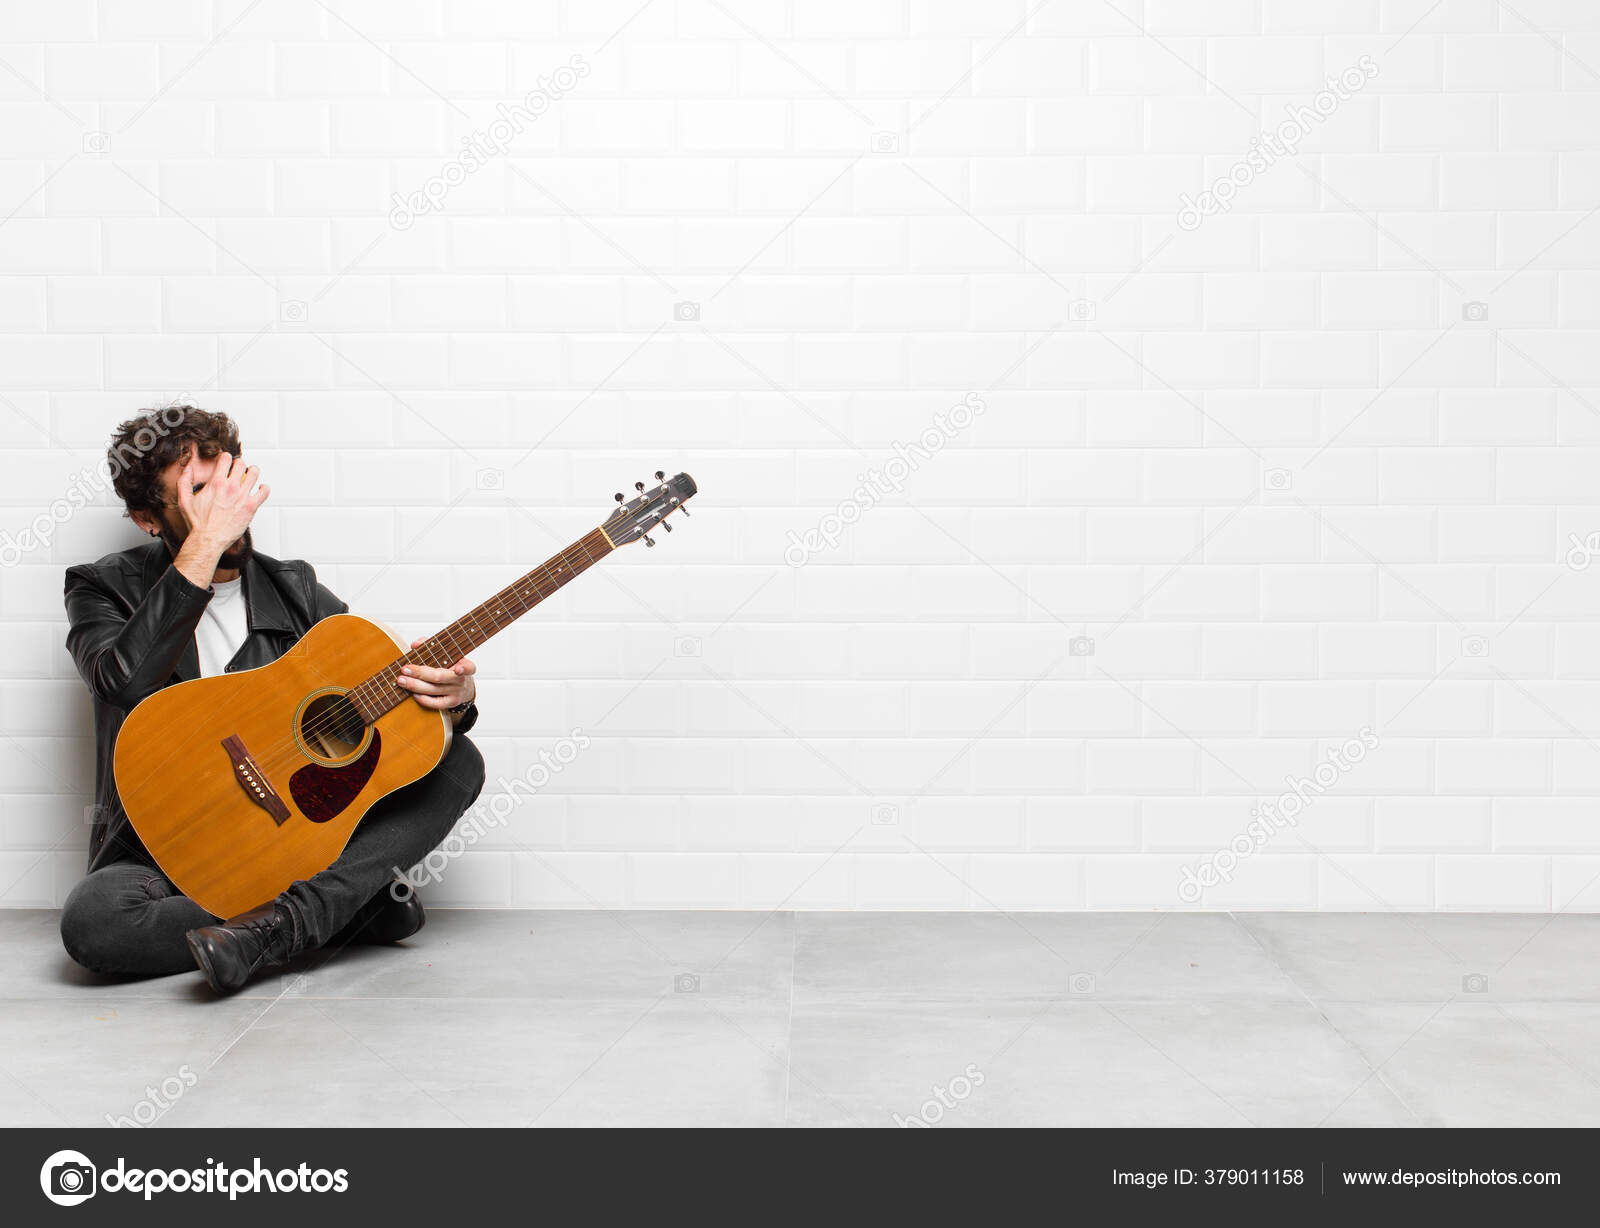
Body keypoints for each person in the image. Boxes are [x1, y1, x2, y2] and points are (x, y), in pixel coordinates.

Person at [59, 406, 486, 993]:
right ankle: (344, 908)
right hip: (156, 850)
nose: (225, 509)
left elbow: (382, 720)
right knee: (95, 925)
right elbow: (123, 683)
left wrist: (454, 699)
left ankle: (278, 926)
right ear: (145, 518)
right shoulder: (100, 586)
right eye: (199, 494)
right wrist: (205, 546)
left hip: (278, 845)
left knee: (459, 763)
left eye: (226, 483)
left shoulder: (296, 588)